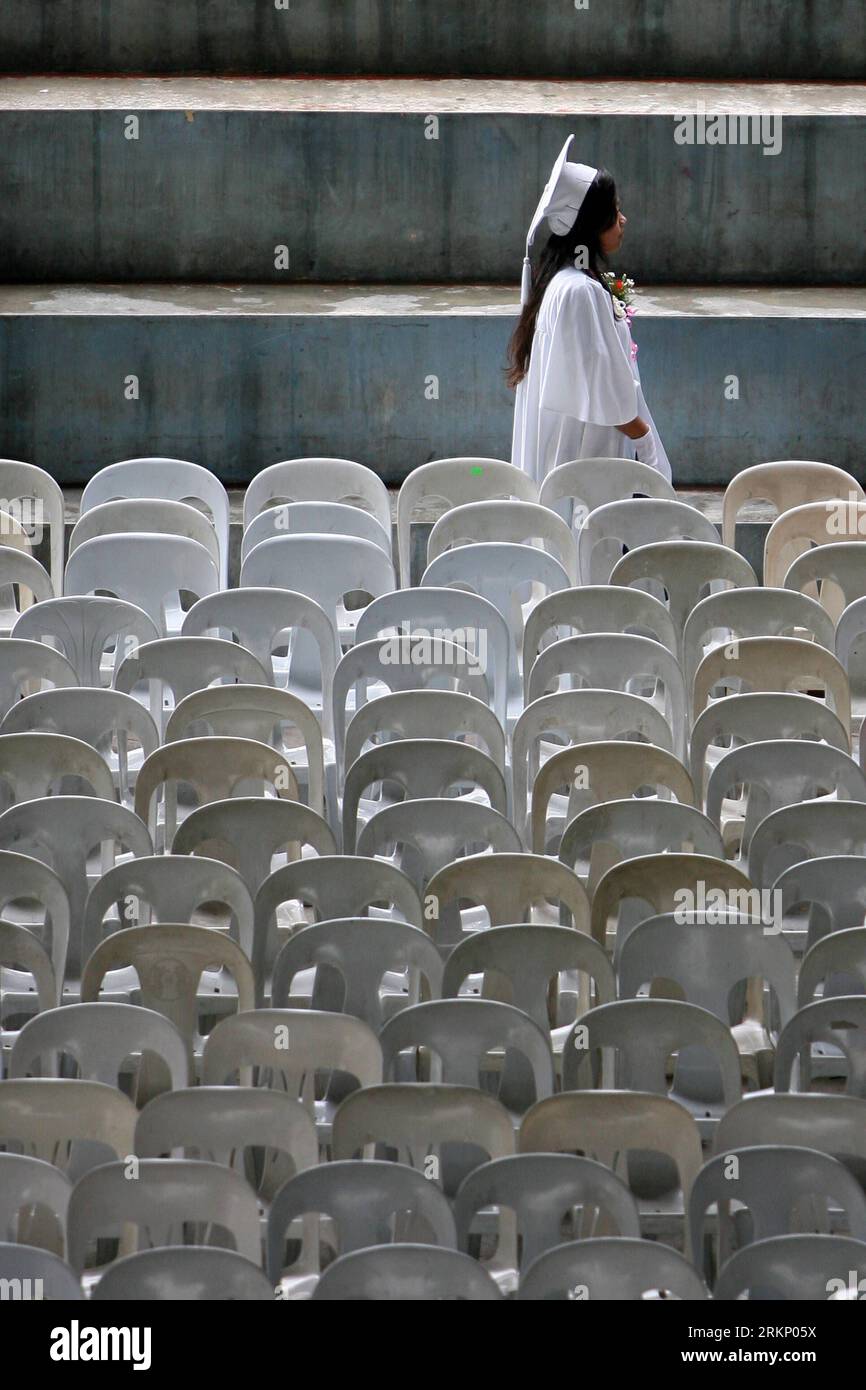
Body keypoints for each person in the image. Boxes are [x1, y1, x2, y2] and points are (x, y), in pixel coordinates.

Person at [509, 135, 672, 488]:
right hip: (582, 459)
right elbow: (603, 389)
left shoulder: (561, 283)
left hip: (573, 456)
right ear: (591, 225)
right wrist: (646, 443)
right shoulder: (578, 292)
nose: (623, 220)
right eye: (614, 213)